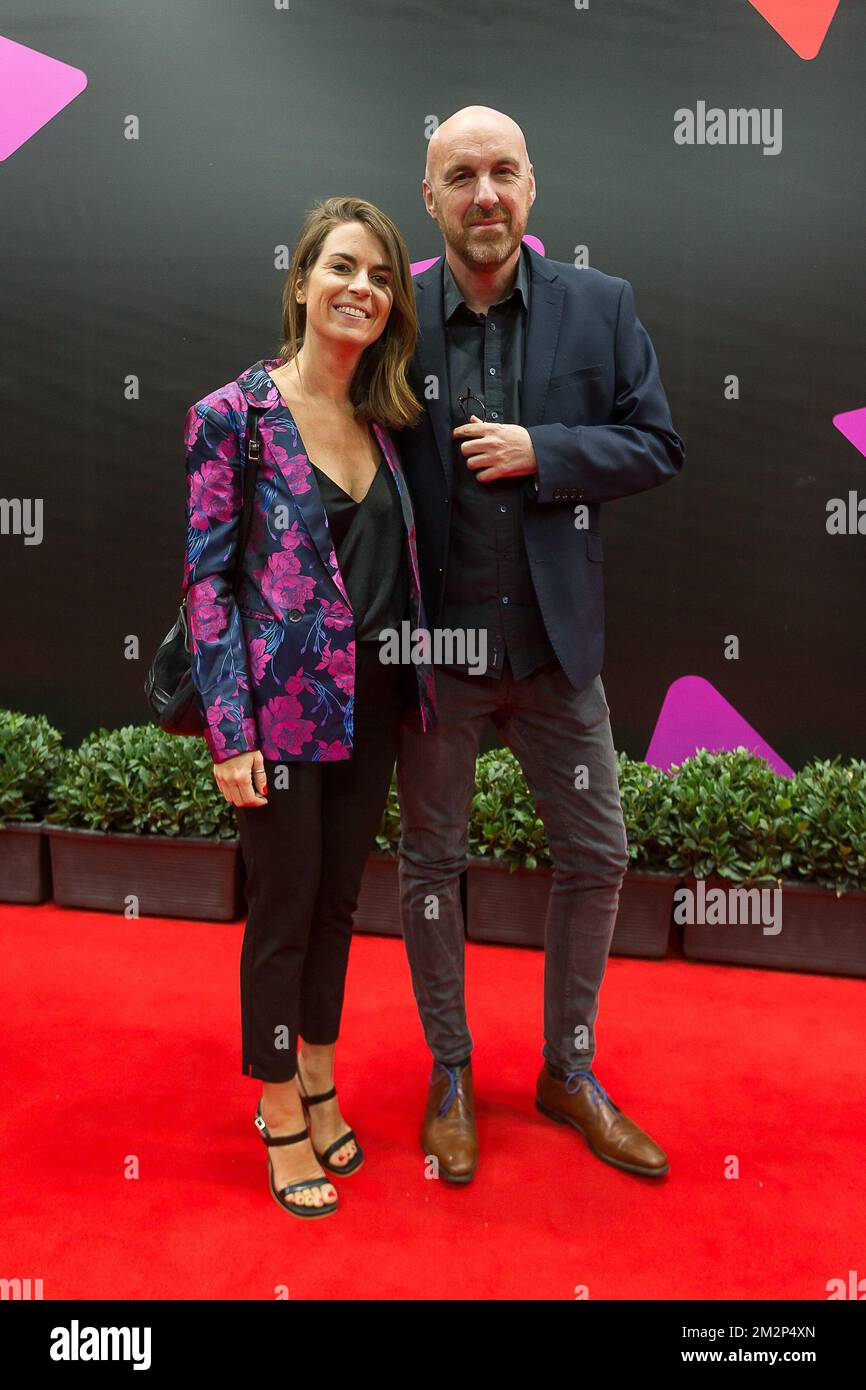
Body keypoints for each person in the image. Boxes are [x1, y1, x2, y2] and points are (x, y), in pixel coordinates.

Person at [394, 106, 685, 1182]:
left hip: (558, 653)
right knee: (432, 865)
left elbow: (656, 442)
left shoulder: (598, 308)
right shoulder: (392, 314)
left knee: (596, 856)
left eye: (502, 172)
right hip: (437, 658)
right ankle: (451, 1070)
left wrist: (541, 449)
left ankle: (568, 1071)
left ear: (531, 187)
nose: (483, 194)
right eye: (459, 175)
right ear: (429, 199)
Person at [180, 196, 436, 1217]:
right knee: (283, 912)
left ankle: (322, 1073)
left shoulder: (386, 416)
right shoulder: (230, 417)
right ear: (299, 282)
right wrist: (228, 732)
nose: (360, 288)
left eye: (379, 276)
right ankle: (280, 1107)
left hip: (370, 703)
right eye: (341, 267)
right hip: (276, 716)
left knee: (338, 902)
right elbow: (208, 583)